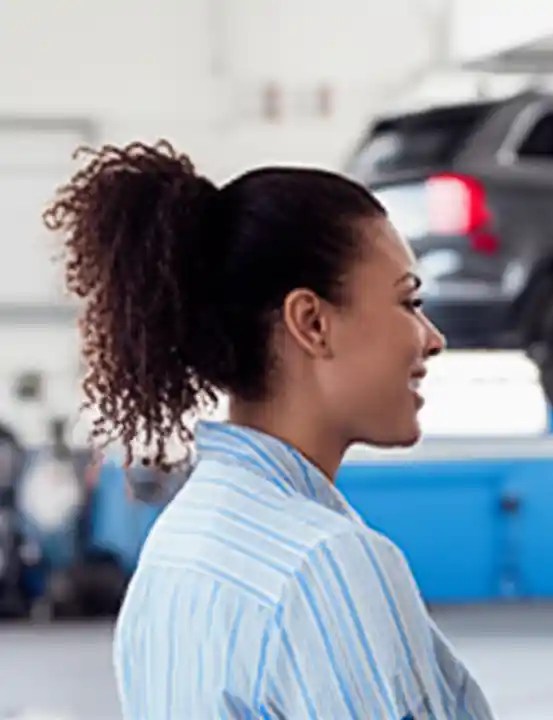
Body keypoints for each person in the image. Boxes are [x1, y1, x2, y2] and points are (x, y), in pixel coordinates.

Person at [44, 140, 495, 718]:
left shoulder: (172, 552)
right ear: (312, 323)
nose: (432, 338)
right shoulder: (324, 564)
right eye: (409, 302)